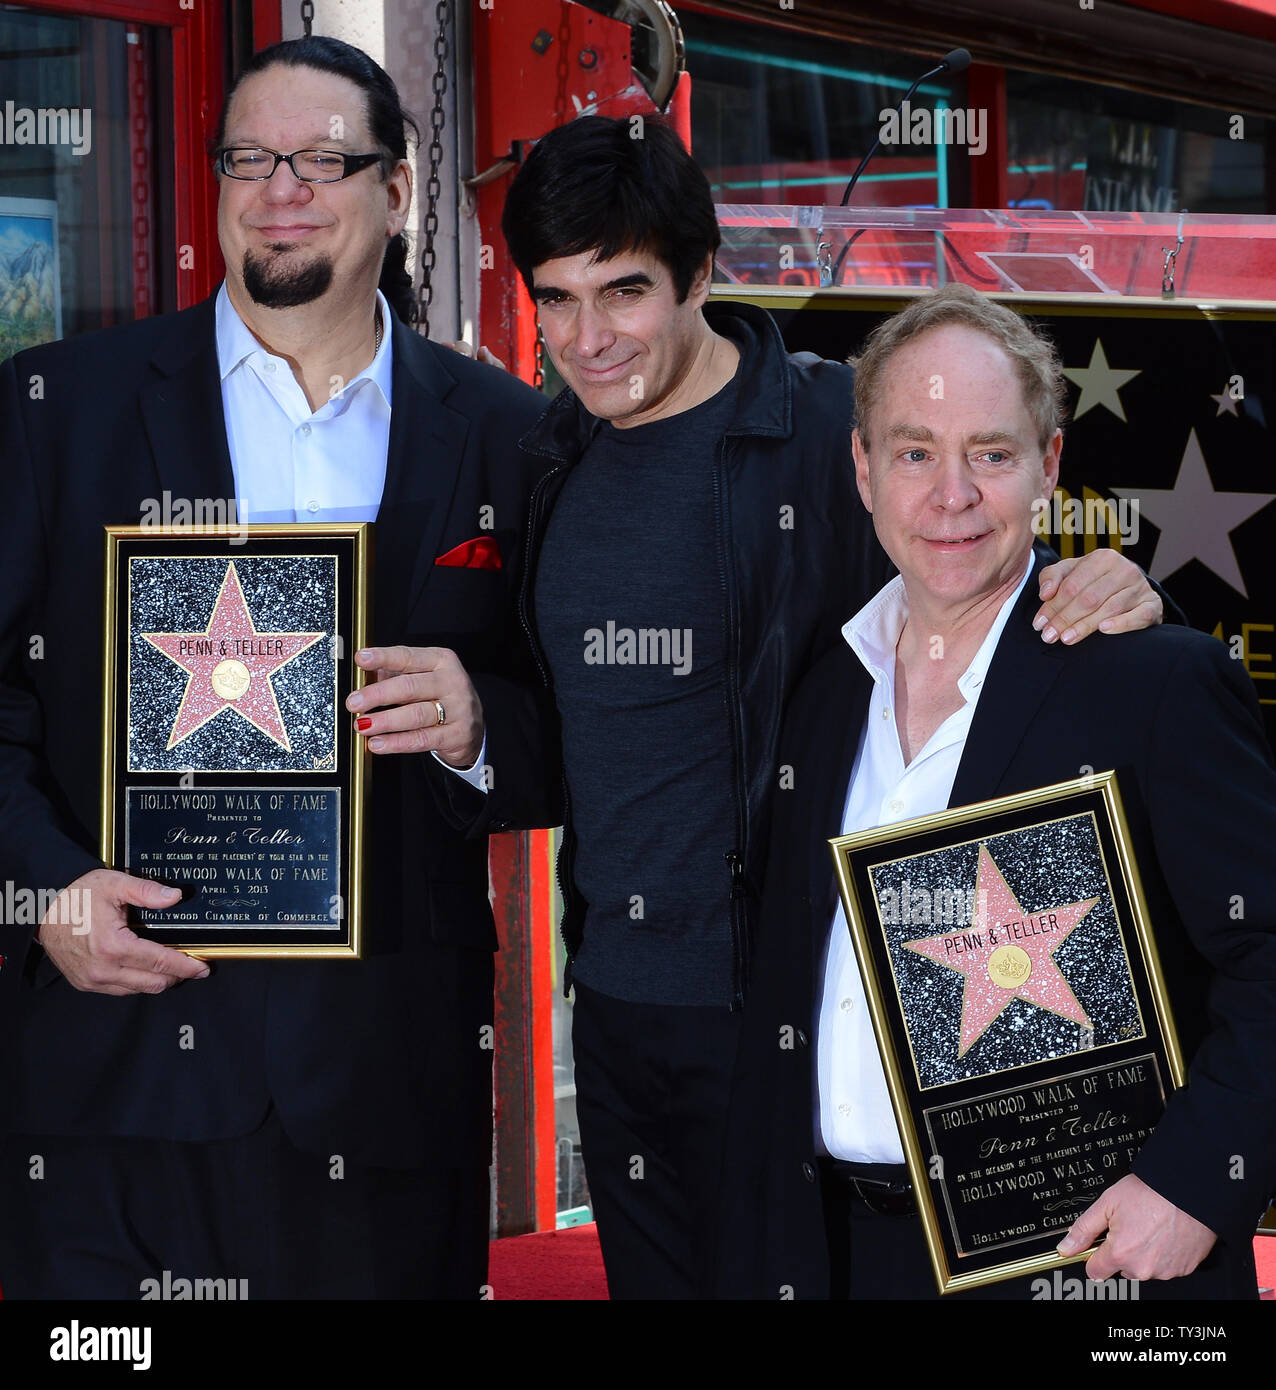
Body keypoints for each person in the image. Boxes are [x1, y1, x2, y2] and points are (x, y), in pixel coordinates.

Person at [483, 115, 1168, 1300]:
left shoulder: (832, 433)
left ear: (701, 273)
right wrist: (478, 727)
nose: (587, 339)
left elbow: (977, 568)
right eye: (555, 300)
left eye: (625, 291)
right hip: (620, 1006)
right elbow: (578, 736)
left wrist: (1104, 577)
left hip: (805, 1007)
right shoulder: (545, 456)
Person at [0, 36, 556, 1299]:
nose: (279, 189)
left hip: (385, 1089)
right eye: (247, 158)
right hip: (118, 1074)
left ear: (399, 190)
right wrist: (42, 888)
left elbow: (589, 720)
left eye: (320, 160)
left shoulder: (510, 435)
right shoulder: (58, 410)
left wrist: (479, 726)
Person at [716, 283, 1276, 1300]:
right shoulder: (818, 686)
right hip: (830, 1252)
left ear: (1048, 466)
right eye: (915, 450)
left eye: (991, 452)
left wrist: (1195, 1184)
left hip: (1083, 1261)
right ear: (863, 468)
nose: (951, 494)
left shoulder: (1153, 678)